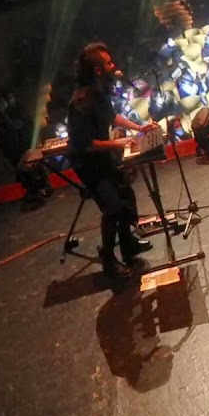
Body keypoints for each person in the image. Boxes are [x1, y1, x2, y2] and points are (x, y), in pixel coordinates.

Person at [67, 43, 156, 278]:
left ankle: (128, 246)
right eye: (108, 63)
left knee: (126, 196)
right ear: (97, 70)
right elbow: (84, 144)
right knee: (113, 208)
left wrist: (139, 127)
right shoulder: (82, 101)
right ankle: (108, 259)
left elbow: (111, 117)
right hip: (87, 162)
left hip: (101, 154)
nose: (113, 65)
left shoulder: (98, 90)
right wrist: (118, 143)